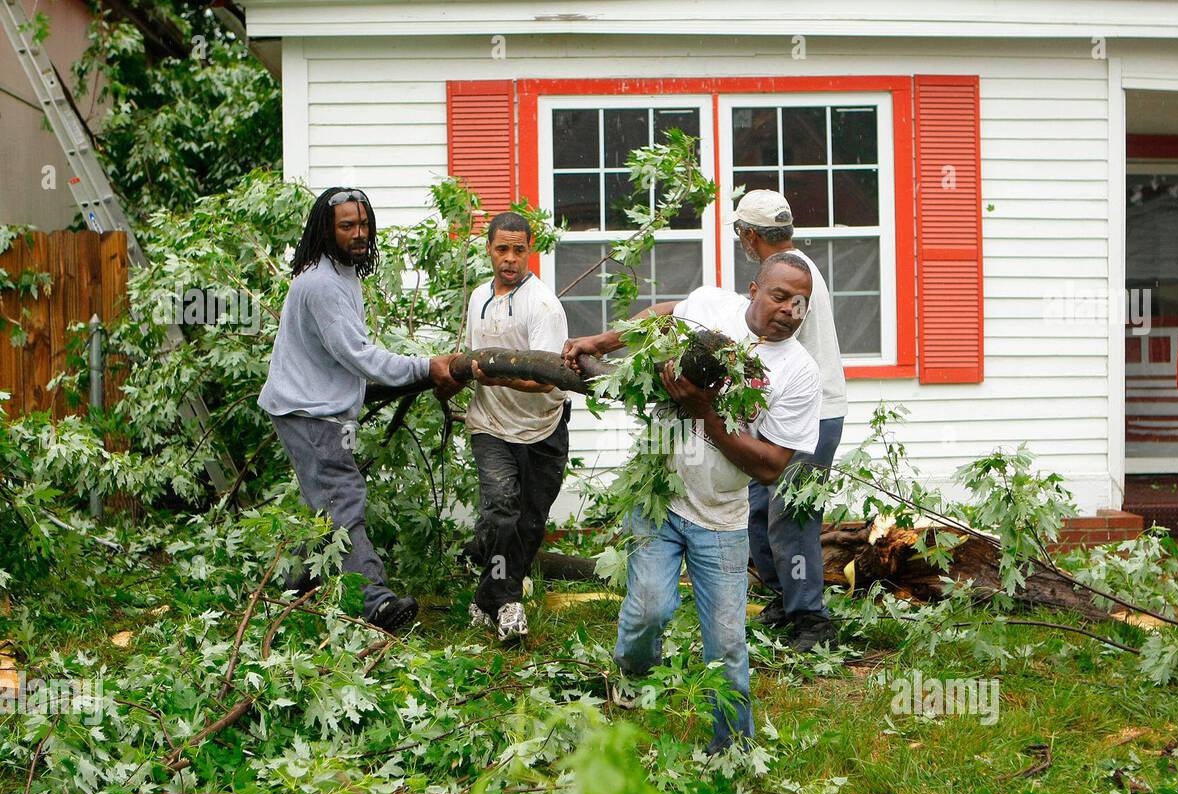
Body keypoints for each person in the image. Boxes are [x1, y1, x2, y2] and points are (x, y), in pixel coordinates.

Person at [562, 254, 821, 753]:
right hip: (658, 491)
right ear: (753, 289)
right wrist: (598, 341)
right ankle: (633, 684)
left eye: (801, 302)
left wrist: (706, 415)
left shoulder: (799, 373)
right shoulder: (711, 306)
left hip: (721, 516)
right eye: (781, 296)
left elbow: (770, 466)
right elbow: (663, 314)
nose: (792, 309)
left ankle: (732, 750)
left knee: (725, 644)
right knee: (647, 609)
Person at [258, 187, 452, 634]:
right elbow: (357, 354)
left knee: (325, 508)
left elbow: (349, 356)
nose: (359, 233)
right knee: (342, 498)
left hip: (315, 407)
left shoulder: (341, 274)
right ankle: (377, 602)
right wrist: (425, 366)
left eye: (363, 225)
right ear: (327, 230)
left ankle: (294, 594)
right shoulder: (322, 284)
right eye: (347, 226)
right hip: (309, 413)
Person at [434, 211, 570, 642]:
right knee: (501, 508)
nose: (510, 259)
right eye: (501, 249)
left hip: (543, 425)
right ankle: (510, 604)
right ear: (489, 250)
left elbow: (545, 377)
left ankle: (485, 595)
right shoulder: (478, 298)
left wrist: (497, 377)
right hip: (490, 422)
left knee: (529, 524)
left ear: (530, 250)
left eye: (518, 250)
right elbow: (470, 358)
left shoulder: (544, 306)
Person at [732, 190, 847, 653]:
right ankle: (784, 597)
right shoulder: (787, 267)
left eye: (741, 232)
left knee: (792, 519)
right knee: (759, 511)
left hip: (811, 414)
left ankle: (811, 618)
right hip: (778, 416)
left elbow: (778, 333)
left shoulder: (794, 276)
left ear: (750, 234)